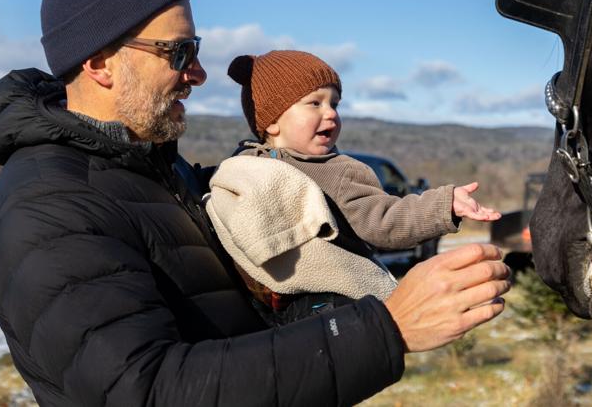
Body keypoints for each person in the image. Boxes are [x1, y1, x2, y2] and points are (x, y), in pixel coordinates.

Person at [0, 0, 511, 406]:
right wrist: (385, 329)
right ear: (100, 63)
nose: (198, 73)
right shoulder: (46, 208)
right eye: (177, 53)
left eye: (196, 48)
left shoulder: (164, 174)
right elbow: (147, 390)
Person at [206, 50, 502, 325]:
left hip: (325, 304)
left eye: (334, 104)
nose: (331, 113)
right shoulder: (243, 166)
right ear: (272, 122)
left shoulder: (339, 172)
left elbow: (384, 218)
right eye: (315, 103)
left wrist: (443, 204)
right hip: (257, 306)